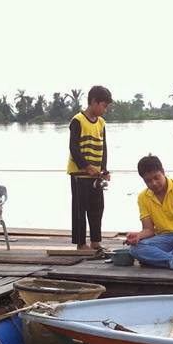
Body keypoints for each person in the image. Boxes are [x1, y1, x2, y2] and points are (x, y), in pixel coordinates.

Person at [66, 85, 112, 252]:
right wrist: (86, 166)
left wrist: (104, 170)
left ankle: (96, 241)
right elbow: (74, 148)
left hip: (96, 175)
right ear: (93, 102)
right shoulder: (77, 120)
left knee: (97, 207)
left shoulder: (101, 122)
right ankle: (80, 243)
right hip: (80, 174)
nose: (105, 110)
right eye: (103, 105)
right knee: (80, 209)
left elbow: (104, 147)